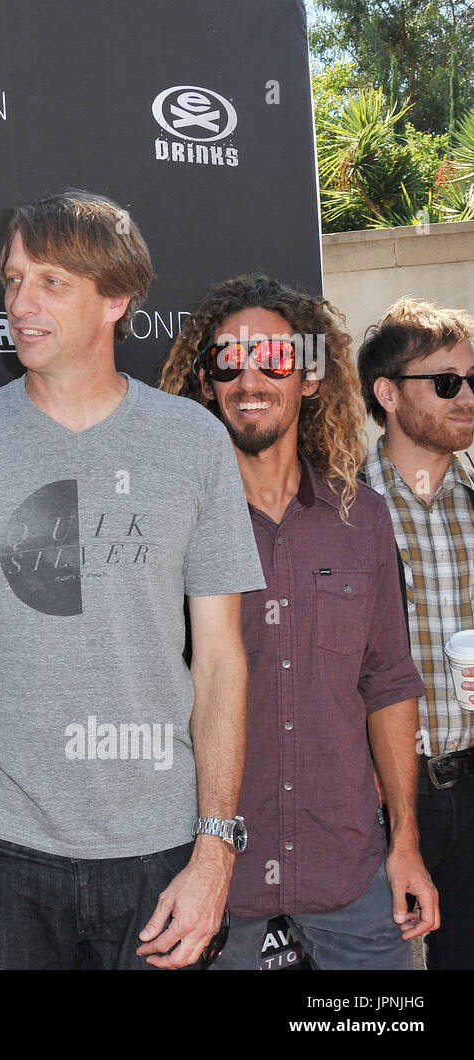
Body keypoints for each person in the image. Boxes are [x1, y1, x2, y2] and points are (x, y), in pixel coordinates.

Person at [0, 191, 265, 970]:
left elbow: (223, 659)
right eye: (12, 279)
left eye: (52, 282)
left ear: (117, 299)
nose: (20, 303)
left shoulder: (193, 442)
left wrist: (216, 848)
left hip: (159, 851)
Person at [159, 274, 437, 968]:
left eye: (274, 359)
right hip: (209, 872)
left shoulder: (363, 519)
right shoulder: (169, 528)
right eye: (228, 360)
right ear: (205, 380)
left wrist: (404, 841)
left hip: (348, 866)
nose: (249, 378)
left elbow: (390, 684)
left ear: (308, 377)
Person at [359, 297, 474, 970]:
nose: (466, 396)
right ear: (388, 393)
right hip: (375, 795)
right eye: (447, 381)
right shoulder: (340, 508)